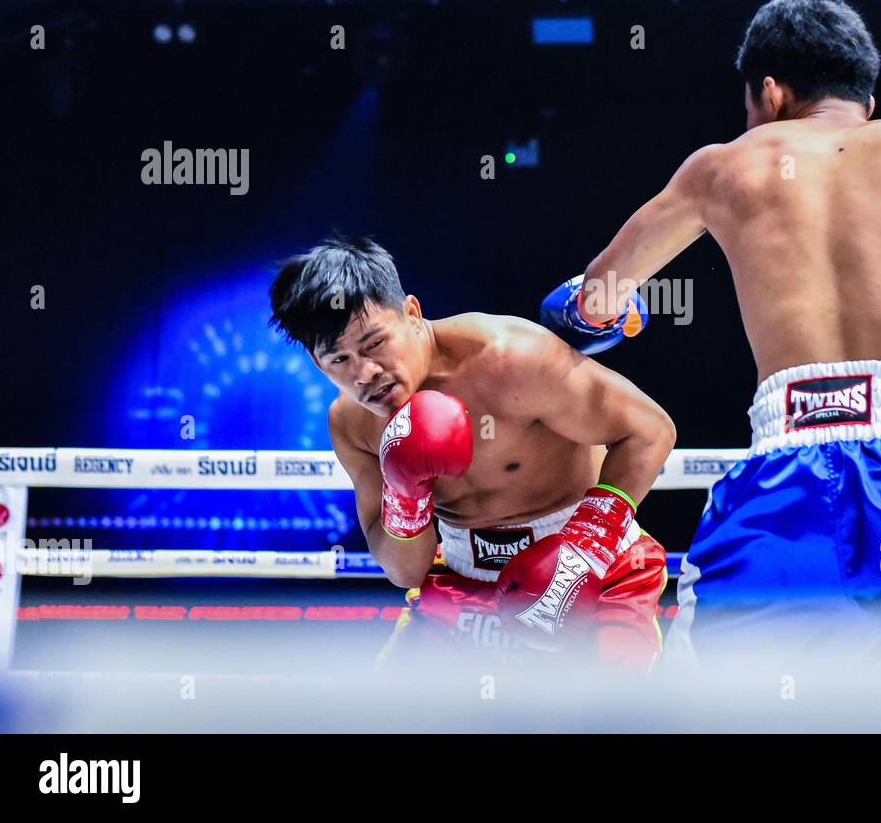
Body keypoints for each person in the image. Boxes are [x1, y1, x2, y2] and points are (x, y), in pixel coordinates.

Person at [540, 0, 881, 668]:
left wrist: (597, 315)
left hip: (787, 472)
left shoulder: (723, 165)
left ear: (770, 92)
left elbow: (590, 298)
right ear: (865, 92)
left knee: (708, 696)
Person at [269, 236, 674, 669]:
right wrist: (405, 493)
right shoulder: (352, 422)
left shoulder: (510, 359)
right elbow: (405, 572)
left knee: (611, 714)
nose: (365, 372)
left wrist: (583, 549)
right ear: (318, 364)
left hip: (598, 574)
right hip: (461, 578)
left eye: (374, 344)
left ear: (412, 314)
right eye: (339, 360)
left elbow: (649, 430)